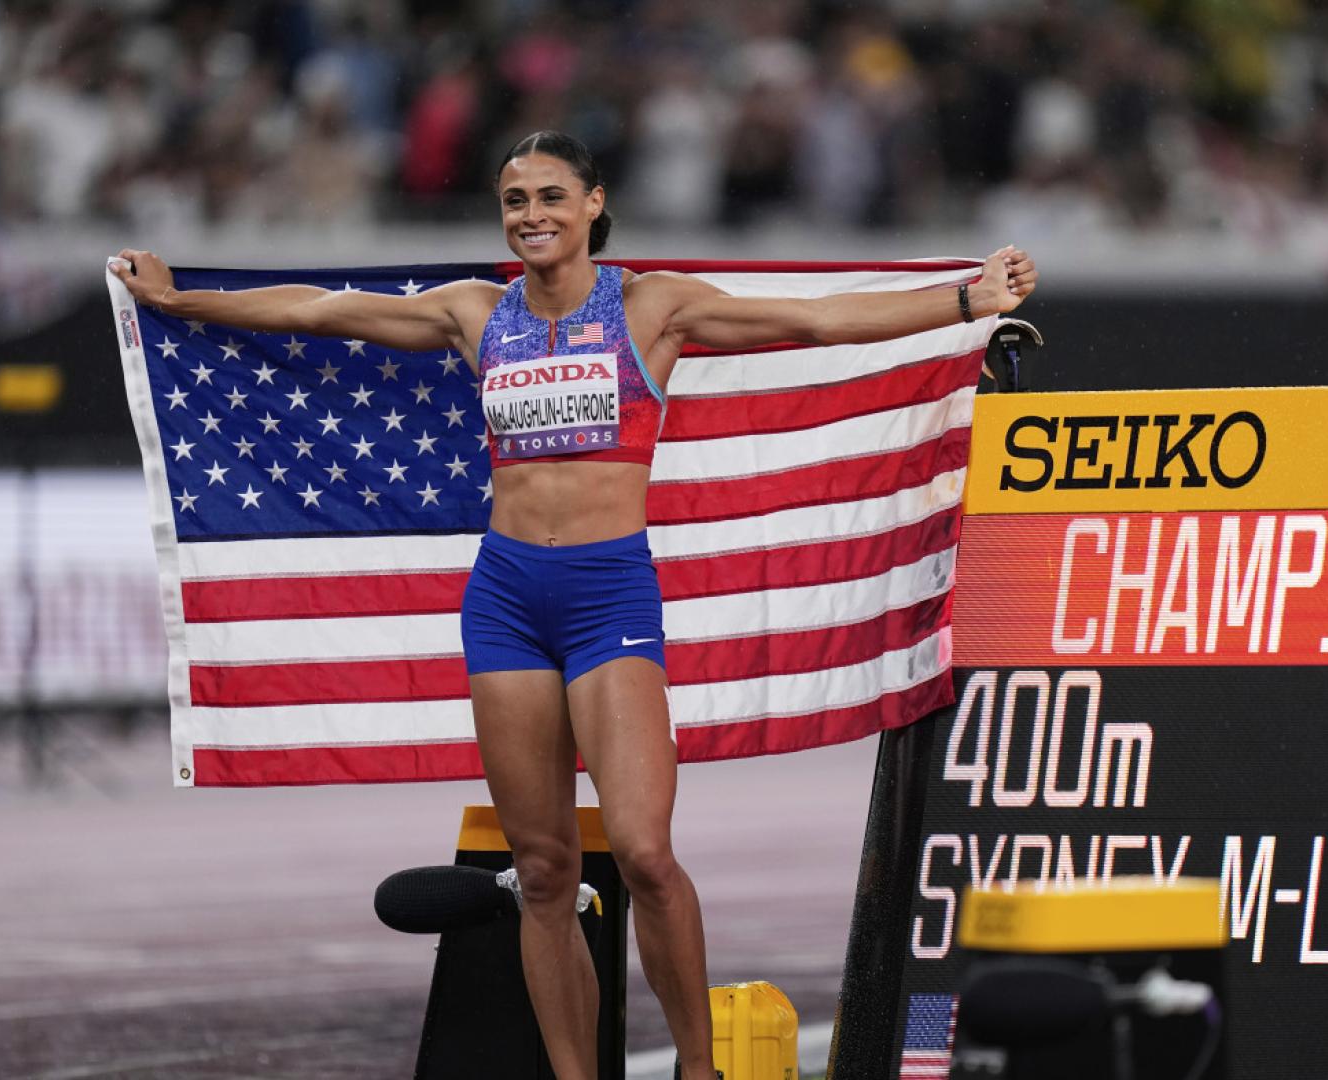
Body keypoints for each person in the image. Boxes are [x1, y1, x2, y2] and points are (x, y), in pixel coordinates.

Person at [109, 129, 1037, 1080]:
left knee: (641, 851)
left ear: (595, 203)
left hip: (608, 596)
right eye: (515, 202)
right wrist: (179, 296)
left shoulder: (652, 307)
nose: (532, 217)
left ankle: (698, 1069)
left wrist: (967, 300)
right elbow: (318, 312)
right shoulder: (477, 313)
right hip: (506, 598)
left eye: (552, 197)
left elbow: (813, 325)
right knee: (544, 872)